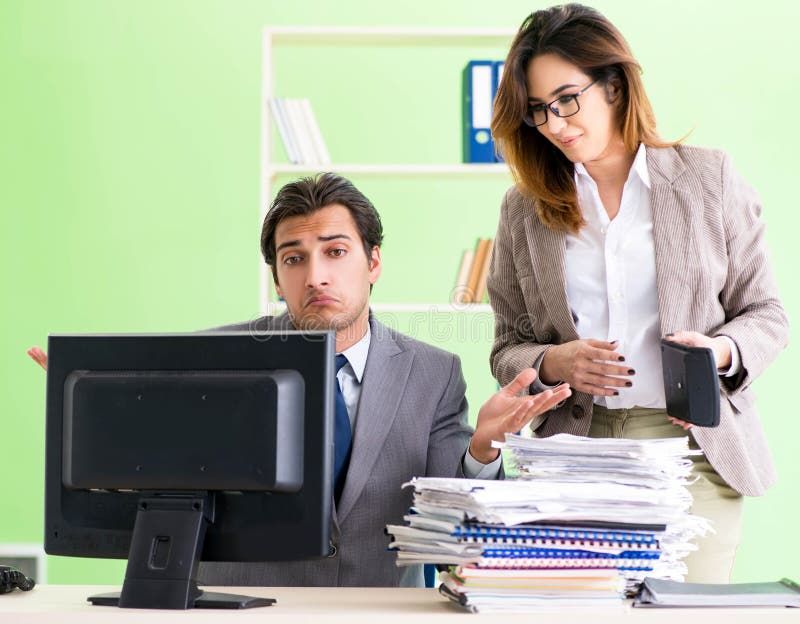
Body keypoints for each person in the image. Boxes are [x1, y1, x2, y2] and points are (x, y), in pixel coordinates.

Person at [29, 172, 571, 587]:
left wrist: (483, 446)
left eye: (335, 251)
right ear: (277, 277)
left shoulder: (433, 372)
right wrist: (102, 410)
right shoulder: (214, 357)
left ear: (373, 261)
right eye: (295, 259)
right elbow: (158, 469)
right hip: (243, 608)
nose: (316, 276)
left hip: (372, 611)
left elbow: (450, 519)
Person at [486, 3, 788, 584]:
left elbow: (767, 313)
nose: (555, 123)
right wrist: (552, 361)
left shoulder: (708, 179)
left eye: (567, 99)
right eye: (538, 111)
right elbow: (506, 347)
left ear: (616, 85)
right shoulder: (523, 210)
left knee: (680, 613)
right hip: (575, 448)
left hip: (692, 453)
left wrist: (717, 351)